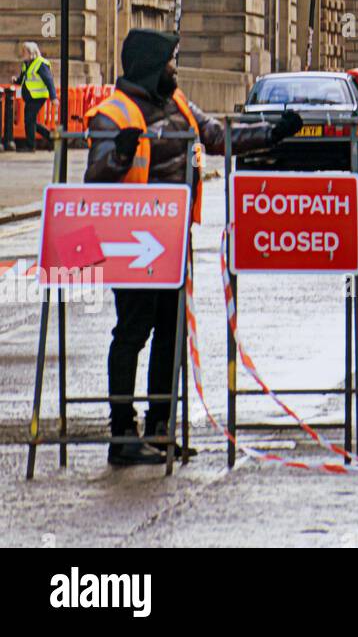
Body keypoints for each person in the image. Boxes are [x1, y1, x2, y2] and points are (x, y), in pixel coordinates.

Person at [85, 29, 303, 466]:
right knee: (132, 330)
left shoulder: (178, 102)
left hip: (172, 235)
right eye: (169, 62)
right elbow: (97, 178)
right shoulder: (114, 113)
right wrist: (119, 155)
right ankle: (122, 433)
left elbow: (217, 134)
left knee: (172, 330)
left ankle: (160, 426)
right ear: (150, 65)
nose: (174, 69)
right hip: (130, 238)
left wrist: (272, 134)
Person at [14, 41, 55, 152]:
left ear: (31, 52)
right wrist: (16, 81)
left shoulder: (40, 64)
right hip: (30, 97)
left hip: (38, 96)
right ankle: (51, 137)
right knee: (30, 120)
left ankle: (30, 146)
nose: (22, 54)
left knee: (29, 120)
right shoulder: (26, 64)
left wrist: (53, 97)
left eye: (24, 51)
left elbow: (49, 80)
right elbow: (23, 78)